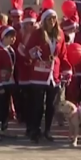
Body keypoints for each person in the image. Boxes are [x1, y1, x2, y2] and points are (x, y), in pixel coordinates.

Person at [27, 8, 72, 143]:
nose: (52, 21)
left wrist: (67, 70)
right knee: (38, 105)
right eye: (49, 19)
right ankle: (35, 130)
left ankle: (47, 130)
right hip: (39, 74)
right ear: (44, 21)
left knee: (51, 105)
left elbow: (63, 55)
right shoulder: (37, 34)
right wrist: (36, 54)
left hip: (54, 74)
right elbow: (29, 50)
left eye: (54, 18)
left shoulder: (60, 34)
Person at [0, 25, 17, 141]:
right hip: (0, 83)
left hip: (9, 82)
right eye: (10, 37)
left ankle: (4, 128)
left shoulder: (10, 49)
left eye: (14, 37)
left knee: (6, 107)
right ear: (4, 37)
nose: (13, 39)